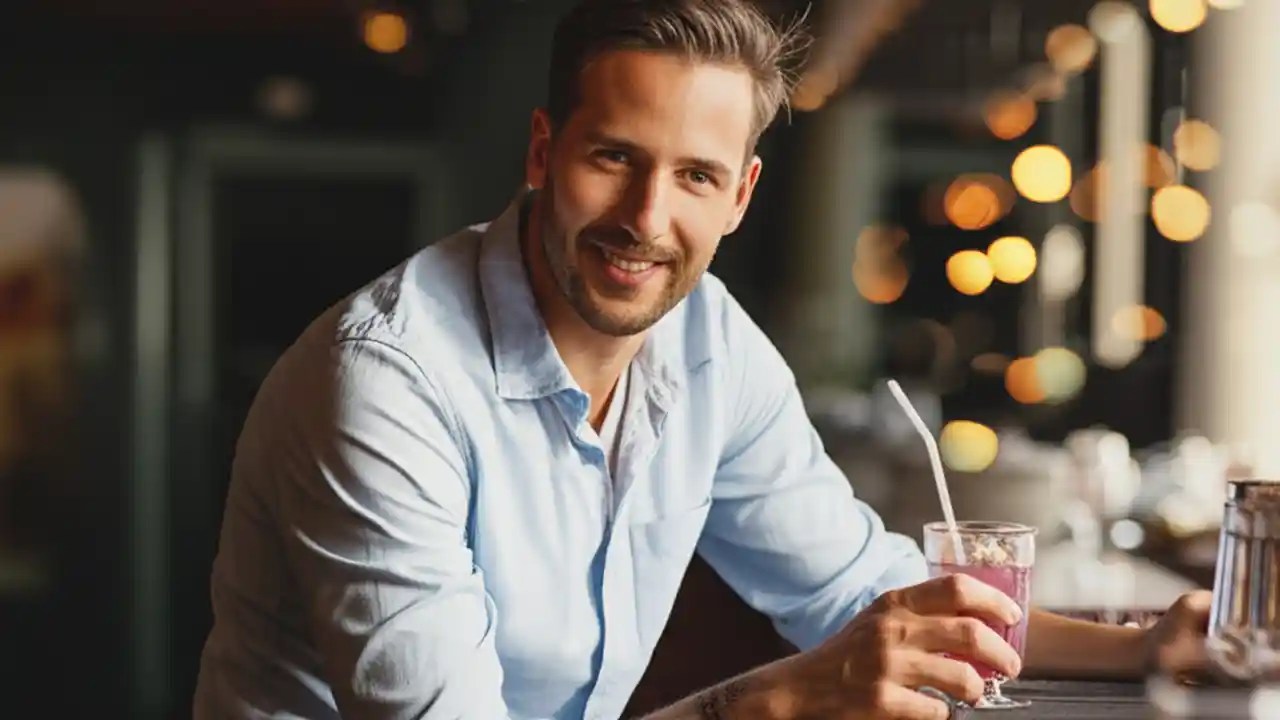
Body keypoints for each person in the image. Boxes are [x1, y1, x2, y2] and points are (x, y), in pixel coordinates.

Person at [193, 1, 1211, 718]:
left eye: (694, 176)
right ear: (543, 151)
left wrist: (1139, 648)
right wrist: (778, 701)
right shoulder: (385, 384)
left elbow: (859, 585)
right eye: (614, 158)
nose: (646, 219)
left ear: (739, 196)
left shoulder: (706, 340)